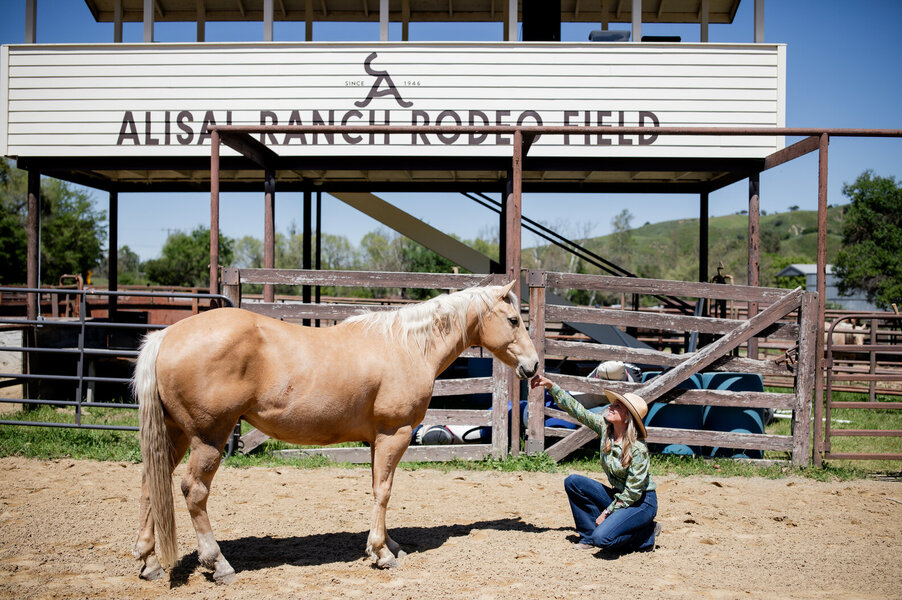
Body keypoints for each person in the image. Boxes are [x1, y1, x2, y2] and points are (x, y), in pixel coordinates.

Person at [530, 374, 660, 554]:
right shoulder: (605, 428)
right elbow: (578, 411)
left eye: (617, 406)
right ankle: (588, 535)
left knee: (604, 539)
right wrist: (552, 387)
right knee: (573, 482)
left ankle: (646, 535)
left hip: (641, 502)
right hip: (620, 496)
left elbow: (633, 492)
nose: (610, 407)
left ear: (627, 417)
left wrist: (607, 512)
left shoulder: (638, 448)